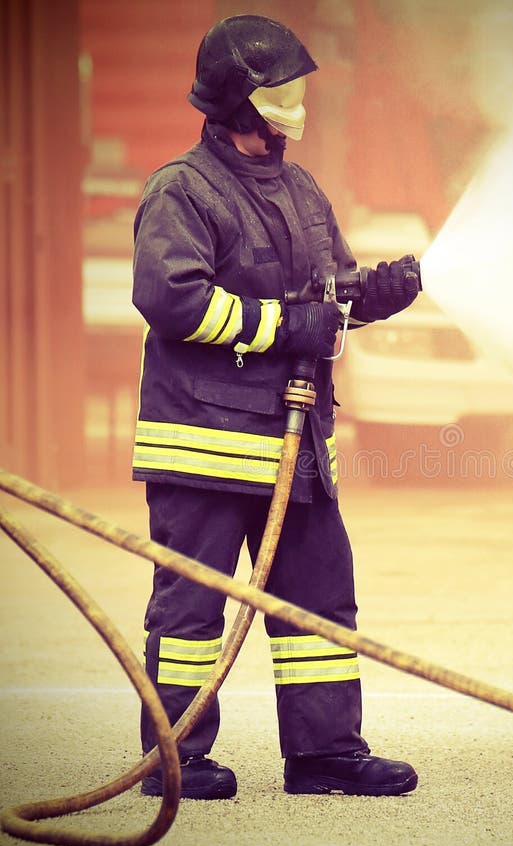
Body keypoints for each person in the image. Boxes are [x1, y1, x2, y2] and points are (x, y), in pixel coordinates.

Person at [131, 14, 420, 799]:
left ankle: (325, 755)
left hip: (294, 444)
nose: (293, 104)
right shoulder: (182, 190)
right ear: (238, 99)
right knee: (191, 609)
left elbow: (324, 303)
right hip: (205, 442)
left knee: (320, 598)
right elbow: (173, 299)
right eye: (277, 89)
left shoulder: (300, 191)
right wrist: (282, 325)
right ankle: (177, 757)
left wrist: (374, 298)